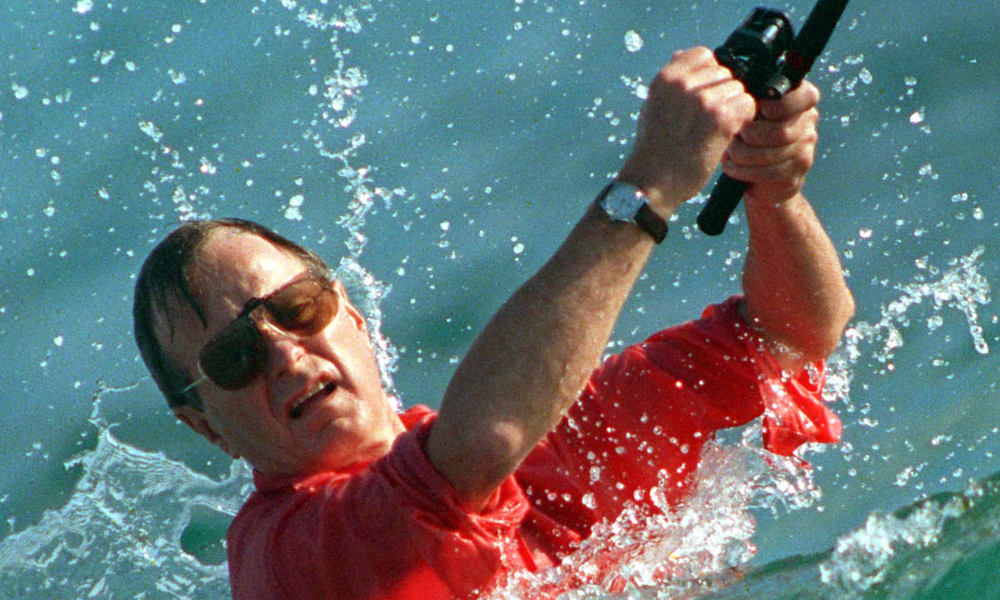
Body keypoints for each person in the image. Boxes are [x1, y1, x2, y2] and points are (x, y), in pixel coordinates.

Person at [132, 47, 854, 599]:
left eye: (297, 309)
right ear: (206, 427)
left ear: (349, 311)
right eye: (234, 358)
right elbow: (479, 445)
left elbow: (789, 334)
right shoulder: (285, 555)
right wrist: (649, 186)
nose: (286, 356)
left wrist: (773, 190)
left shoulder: (538, 453)